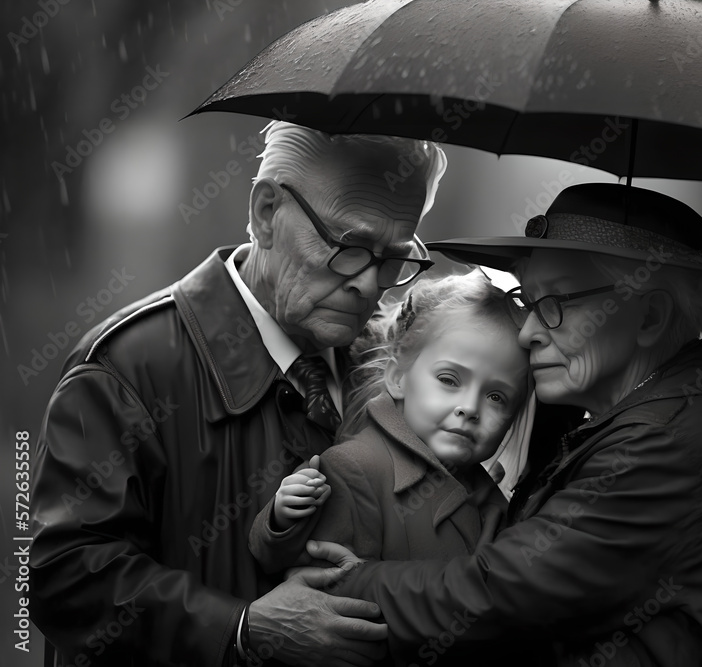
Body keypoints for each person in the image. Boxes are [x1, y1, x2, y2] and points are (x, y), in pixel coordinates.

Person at [309, 183, 702, 665]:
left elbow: (504, 595)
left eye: (556, 304)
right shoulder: (651, 418)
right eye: (528, 301)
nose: (528, 333)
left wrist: (336, 583)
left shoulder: (668, 443)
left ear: (649, 316)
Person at [29, 121, 446, 667]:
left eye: (393, 258)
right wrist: (242, 630)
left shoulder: (392, 366)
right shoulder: (128, 367)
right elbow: (63, 576)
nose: (369, 284)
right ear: (266, 213)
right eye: (348, 246)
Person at [248, 270, 532, 664]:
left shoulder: (492, 496)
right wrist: (283, 519)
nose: (470, 408)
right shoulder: (355, 467)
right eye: (449, 379)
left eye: (497, 397)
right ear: (398, 377)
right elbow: (313, 591)